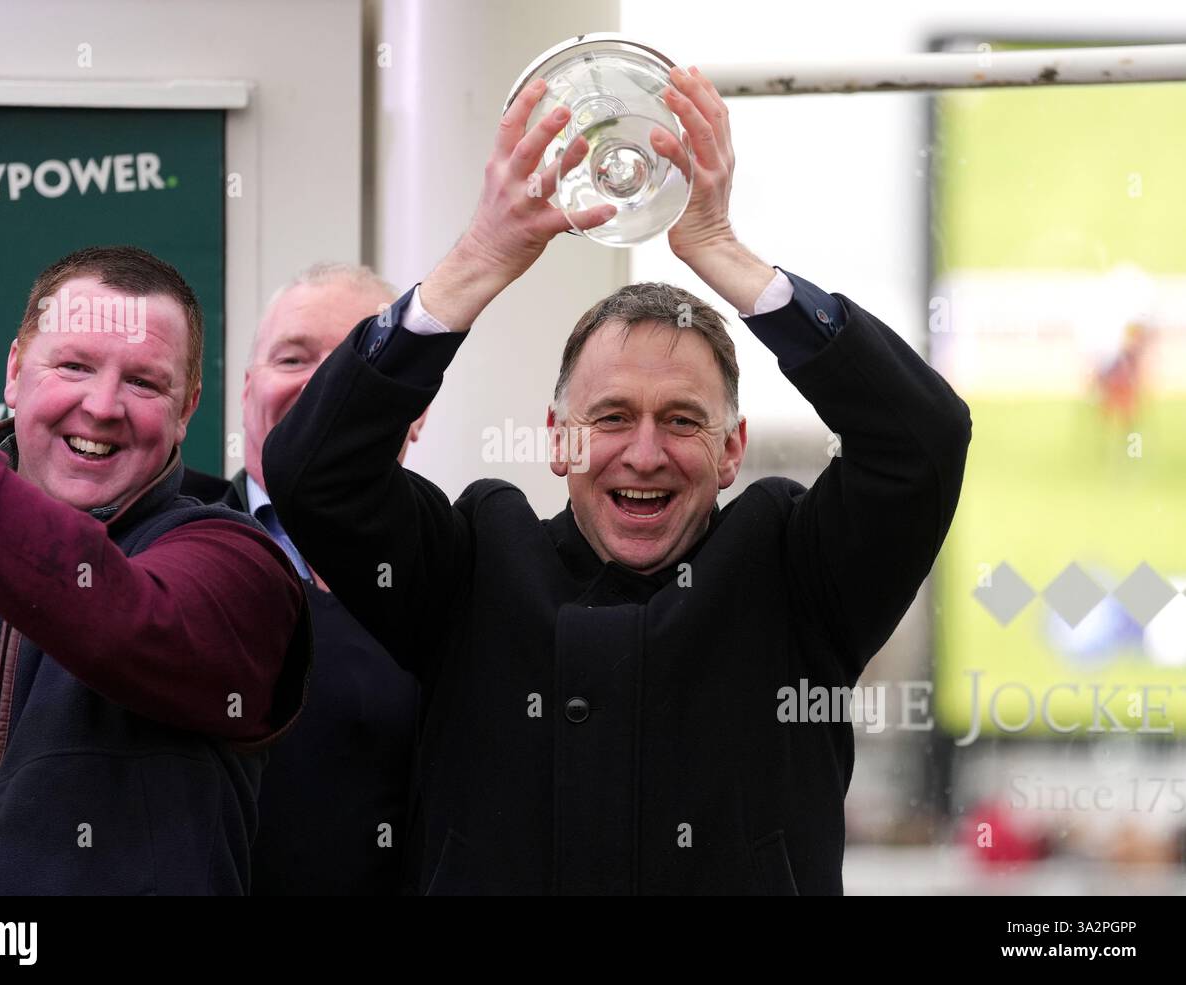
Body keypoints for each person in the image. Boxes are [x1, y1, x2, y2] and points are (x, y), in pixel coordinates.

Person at [264, 68, 972, 894]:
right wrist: (479, 261)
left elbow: (923, 439)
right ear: (558, 438)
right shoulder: (472, 563)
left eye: (681, 419)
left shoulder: (795, 568)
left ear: (734, 448)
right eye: (609, 418)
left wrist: (726, 256)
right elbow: (311, 469)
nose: (643, 453)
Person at [0, 245, 310, 895]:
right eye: (75, 365)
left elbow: (119, 618)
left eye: (143, 381)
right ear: (13, 370)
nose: (104, 405)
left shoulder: (237, 562)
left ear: (187, 408)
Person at [183, 263, 420, 895]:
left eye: (357, 361)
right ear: (246, 390)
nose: (324, 386)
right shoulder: (163, 543)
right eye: (294, 358)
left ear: (415, 409)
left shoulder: (463, 576)